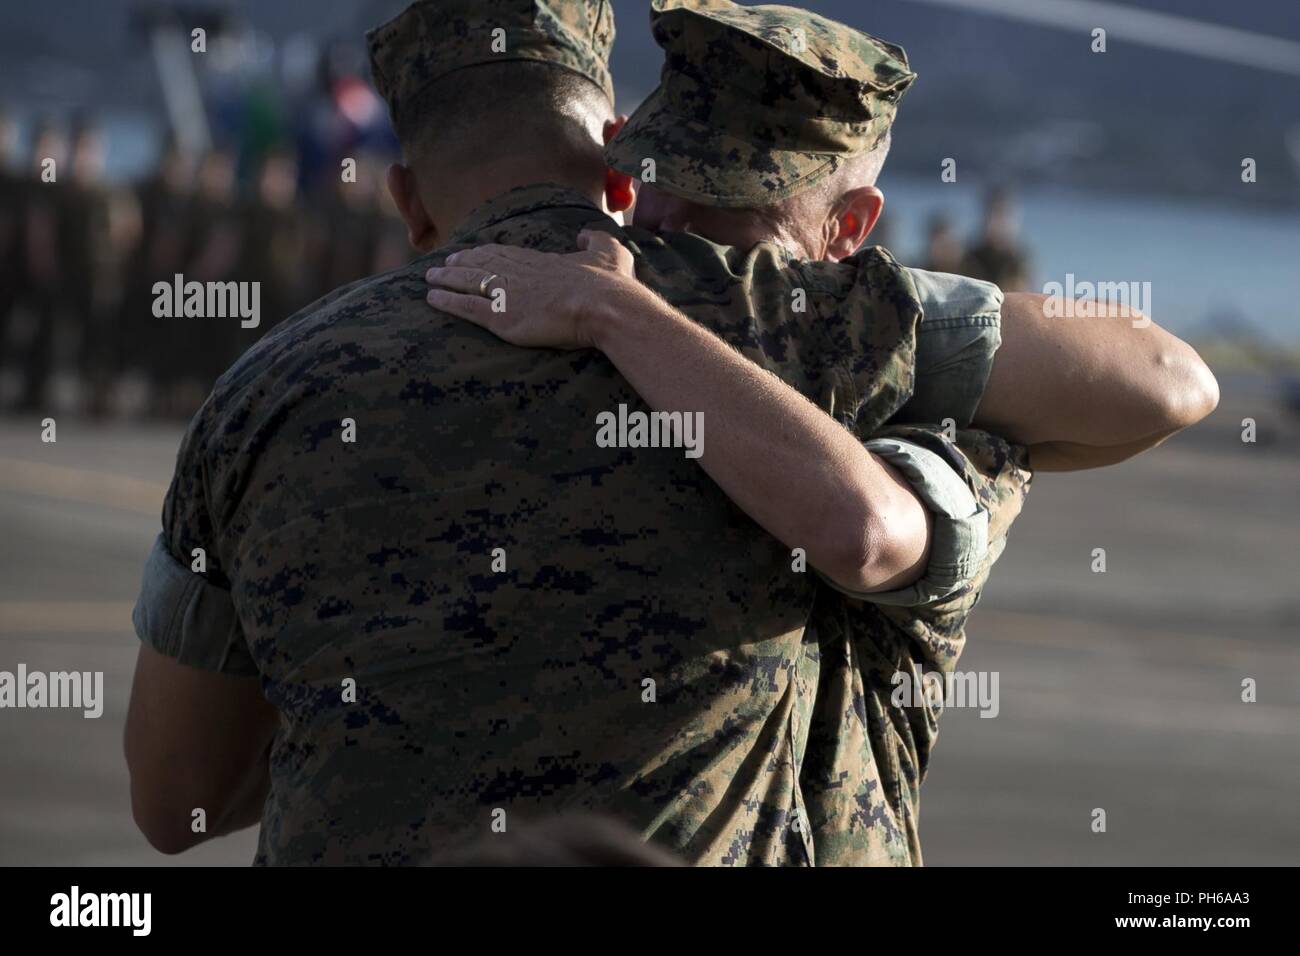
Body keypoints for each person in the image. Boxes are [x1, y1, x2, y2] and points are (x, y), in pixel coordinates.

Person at [126, 0, 1023, 866]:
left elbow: (175, 800)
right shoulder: (793, 338)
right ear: (622, 173)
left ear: (406, 198)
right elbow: (1150, 377)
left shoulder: (260, 392)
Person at [428, 0, 1216, 863]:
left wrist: (635, 314)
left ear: (848, 232)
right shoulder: (576, 295)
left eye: (723, 214)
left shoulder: (861, 370)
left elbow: (1167, 383)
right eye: (657, 183)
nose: (666, 234)